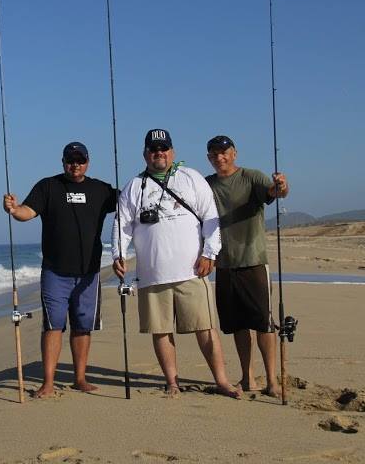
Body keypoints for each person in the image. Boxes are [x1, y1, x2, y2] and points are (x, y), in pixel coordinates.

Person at [112, 129, 240, 398]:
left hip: (192, 271)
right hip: (152, 274)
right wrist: (118, 254)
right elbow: (122, 225)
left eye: (164, 148)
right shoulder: (134, 186)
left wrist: (210, 253)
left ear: (172, 152)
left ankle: (222, 381)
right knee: (160, 331)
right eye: (153, 149)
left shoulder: (191, 177)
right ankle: (172, 382)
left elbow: (211, 218)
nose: (159, 153)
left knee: (205, 328)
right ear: (145, 154)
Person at [3, 141, 117, 398]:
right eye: (70, 160)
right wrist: (13, 209)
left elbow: (131, 201)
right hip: (55, 272)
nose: (75, 165)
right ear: (63, 161)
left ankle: (80, 378)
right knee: (53, 325)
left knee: (83, 326)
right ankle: (48, 382)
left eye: (80, 160)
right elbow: (26, 212)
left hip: (89, 273)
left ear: (87, 162)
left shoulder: (101, 190)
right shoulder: (48, 186)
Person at [205, 135, 290, 397]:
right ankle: (246, 377)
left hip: (254, 262)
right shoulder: (206, 184)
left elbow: (275, 193)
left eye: (224, 152)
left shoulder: (251, 177)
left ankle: (272, 381)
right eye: (214, 153)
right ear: (209, 158)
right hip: (224, 266)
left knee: (263, 324)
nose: (220, 157)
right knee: (238, 324)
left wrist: (281, 186)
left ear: (234, 153)